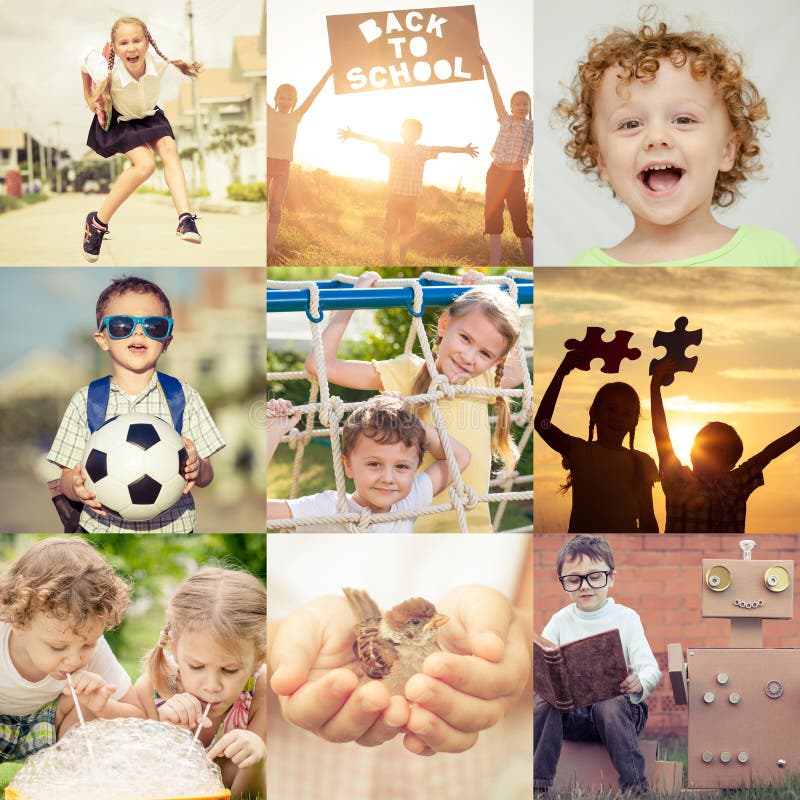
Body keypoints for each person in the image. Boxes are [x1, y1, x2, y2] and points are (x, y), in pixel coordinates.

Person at [267, 533, 533, 799]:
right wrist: (278, 640)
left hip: (485, 757)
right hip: (305, 763)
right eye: (419, 623)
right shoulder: (387, 656)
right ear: (404, 632)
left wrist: (517, 632)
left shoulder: (442, 645)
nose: (435, 623)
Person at [555, 10, 800, 266]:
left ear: (727, 150)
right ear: (602, 160)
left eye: (684, 120)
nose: (657, 137)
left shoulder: (771, 257)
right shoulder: (586, 273)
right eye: (631, 123)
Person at [304, 272, 525, 532]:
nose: (468, 356)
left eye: (485, 353)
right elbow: (320, 365)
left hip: (471, 528)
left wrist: (488, 289)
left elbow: (520, 369)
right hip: (415, 531)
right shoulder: (408, 371)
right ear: (444, 325)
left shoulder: (484, 378)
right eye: (465, 338)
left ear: (497, 361)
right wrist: (352, 300)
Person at [47, 276, 225, 533]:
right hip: (101, 531)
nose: (139, 332)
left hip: (172, 530)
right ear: (102, 339)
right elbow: (65, 478)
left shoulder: (184, 397)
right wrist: (75, 488)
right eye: (122, 325)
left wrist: (198, 468)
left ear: (167, 341)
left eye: (154, 326)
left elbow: (207, 477)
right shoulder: (86, 400)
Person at [534, 534, 662, 795]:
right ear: (564, 583)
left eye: (594, 576)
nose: (584, 586)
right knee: (543, 700)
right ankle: (537, 785)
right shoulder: (559, 621)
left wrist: (638, 682)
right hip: (572, 717)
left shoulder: (626, 618)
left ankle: (635, 786)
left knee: (609, 702)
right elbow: (544, 661)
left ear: (611, 577)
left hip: (619, 715)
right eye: (573, 579)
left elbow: (651, 669)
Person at [0, 537, 143, 762]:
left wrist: (103, 706)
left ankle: (66, 771)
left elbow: (137, 719)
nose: (75, 660)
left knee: (88, 704)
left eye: (88, 644)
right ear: (19, 623)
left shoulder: (92, 646)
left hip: (46, 728)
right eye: (57, 647)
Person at [133, 567, 265, 800]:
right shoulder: (151, 689)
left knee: (242, 753)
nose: (212, 686)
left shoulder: (263, 693)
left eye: (229, 670)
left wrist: (256, 761)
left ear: (257, 660)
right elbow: (140, 786)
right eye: (196, 667)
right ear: (174, 648)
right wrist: (166, 733)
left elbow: (252, 795)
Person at [80, 16, 204, 262]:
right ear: (114, 47)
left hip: (149, 115)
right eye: (124, 43)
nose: (132, 47)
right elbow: (84, 59)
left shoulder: (159, 62)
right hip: (121, 121)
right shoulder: (106, 69)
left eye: (137, 40)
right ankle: (97, 223)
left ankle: (185, 219)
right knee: (145, 165)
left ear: (147, 43)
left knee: (169, 148)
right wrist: (88, 96)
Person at [266, 393, 471, 532]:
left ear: (415, 467)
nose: (388, 478)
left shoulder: (409, 502)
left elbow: (460, 458)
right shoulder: (329, 509)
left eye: (401, 466)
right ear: (347, 465)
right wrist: (273, 432)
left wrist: (407, 418)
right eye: (374, 464)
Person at [650, 358, 800, 532]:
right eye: (702, 445)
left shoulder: (736, 483)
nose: (706, 452)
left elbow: (771, 452)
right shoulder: (678, 478)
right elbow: (661, 436)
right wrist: (655, 387)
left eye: (717, 449)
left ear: (730, 463)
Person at [534, 349, 658, 532]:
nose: (618, 418)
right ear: (594, 412)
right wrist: (562, 372)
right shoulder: (578, 450)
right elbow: (542, 423)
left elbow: (648, 521)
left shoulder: (643, 461)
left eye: (627, 413)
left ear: (634, 421)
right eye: (611, 409)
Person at [337, 121, 478, 264]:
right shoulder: (394, 147)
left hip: (411, 198)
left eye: (414, 132)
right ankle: (387, 257)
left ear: (418, 135)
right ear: (401, 132)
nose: (410, 134)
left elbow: (443, 148)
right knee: (390, 229)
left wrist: (463, 150)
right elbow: (374, 140)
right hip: (395, 195)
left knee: (406, 231)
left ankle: (402, 259)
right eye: (407, 131)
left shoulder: (423, 150)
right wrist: (352, 134)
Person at [267, 68, 333, 261]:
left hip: (283, 167)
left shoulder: (296, 116)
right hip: (266, 162)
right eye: (282, 98)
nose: (286, 102)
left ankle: (270, 247)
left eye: (290, 99)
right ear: (276, 98)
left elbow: (314, 93)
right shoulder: (269, 113)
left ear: (294, 102)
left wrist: (328, 74)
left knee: (276, 207)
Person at [479, 48, 533, 267]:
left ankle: (532, 263)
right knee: (493, 218)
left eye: (525, 104)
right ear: (511, 106)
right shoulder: (505, 119)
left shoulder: (533, 127)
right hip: (496, 172)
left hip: (515, 177)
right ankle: (495, 264)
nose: (521, 106)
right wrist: (486, 64)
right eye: (517, 103)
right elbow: (494, 90)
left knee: (520, 219)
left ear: (529, 108)